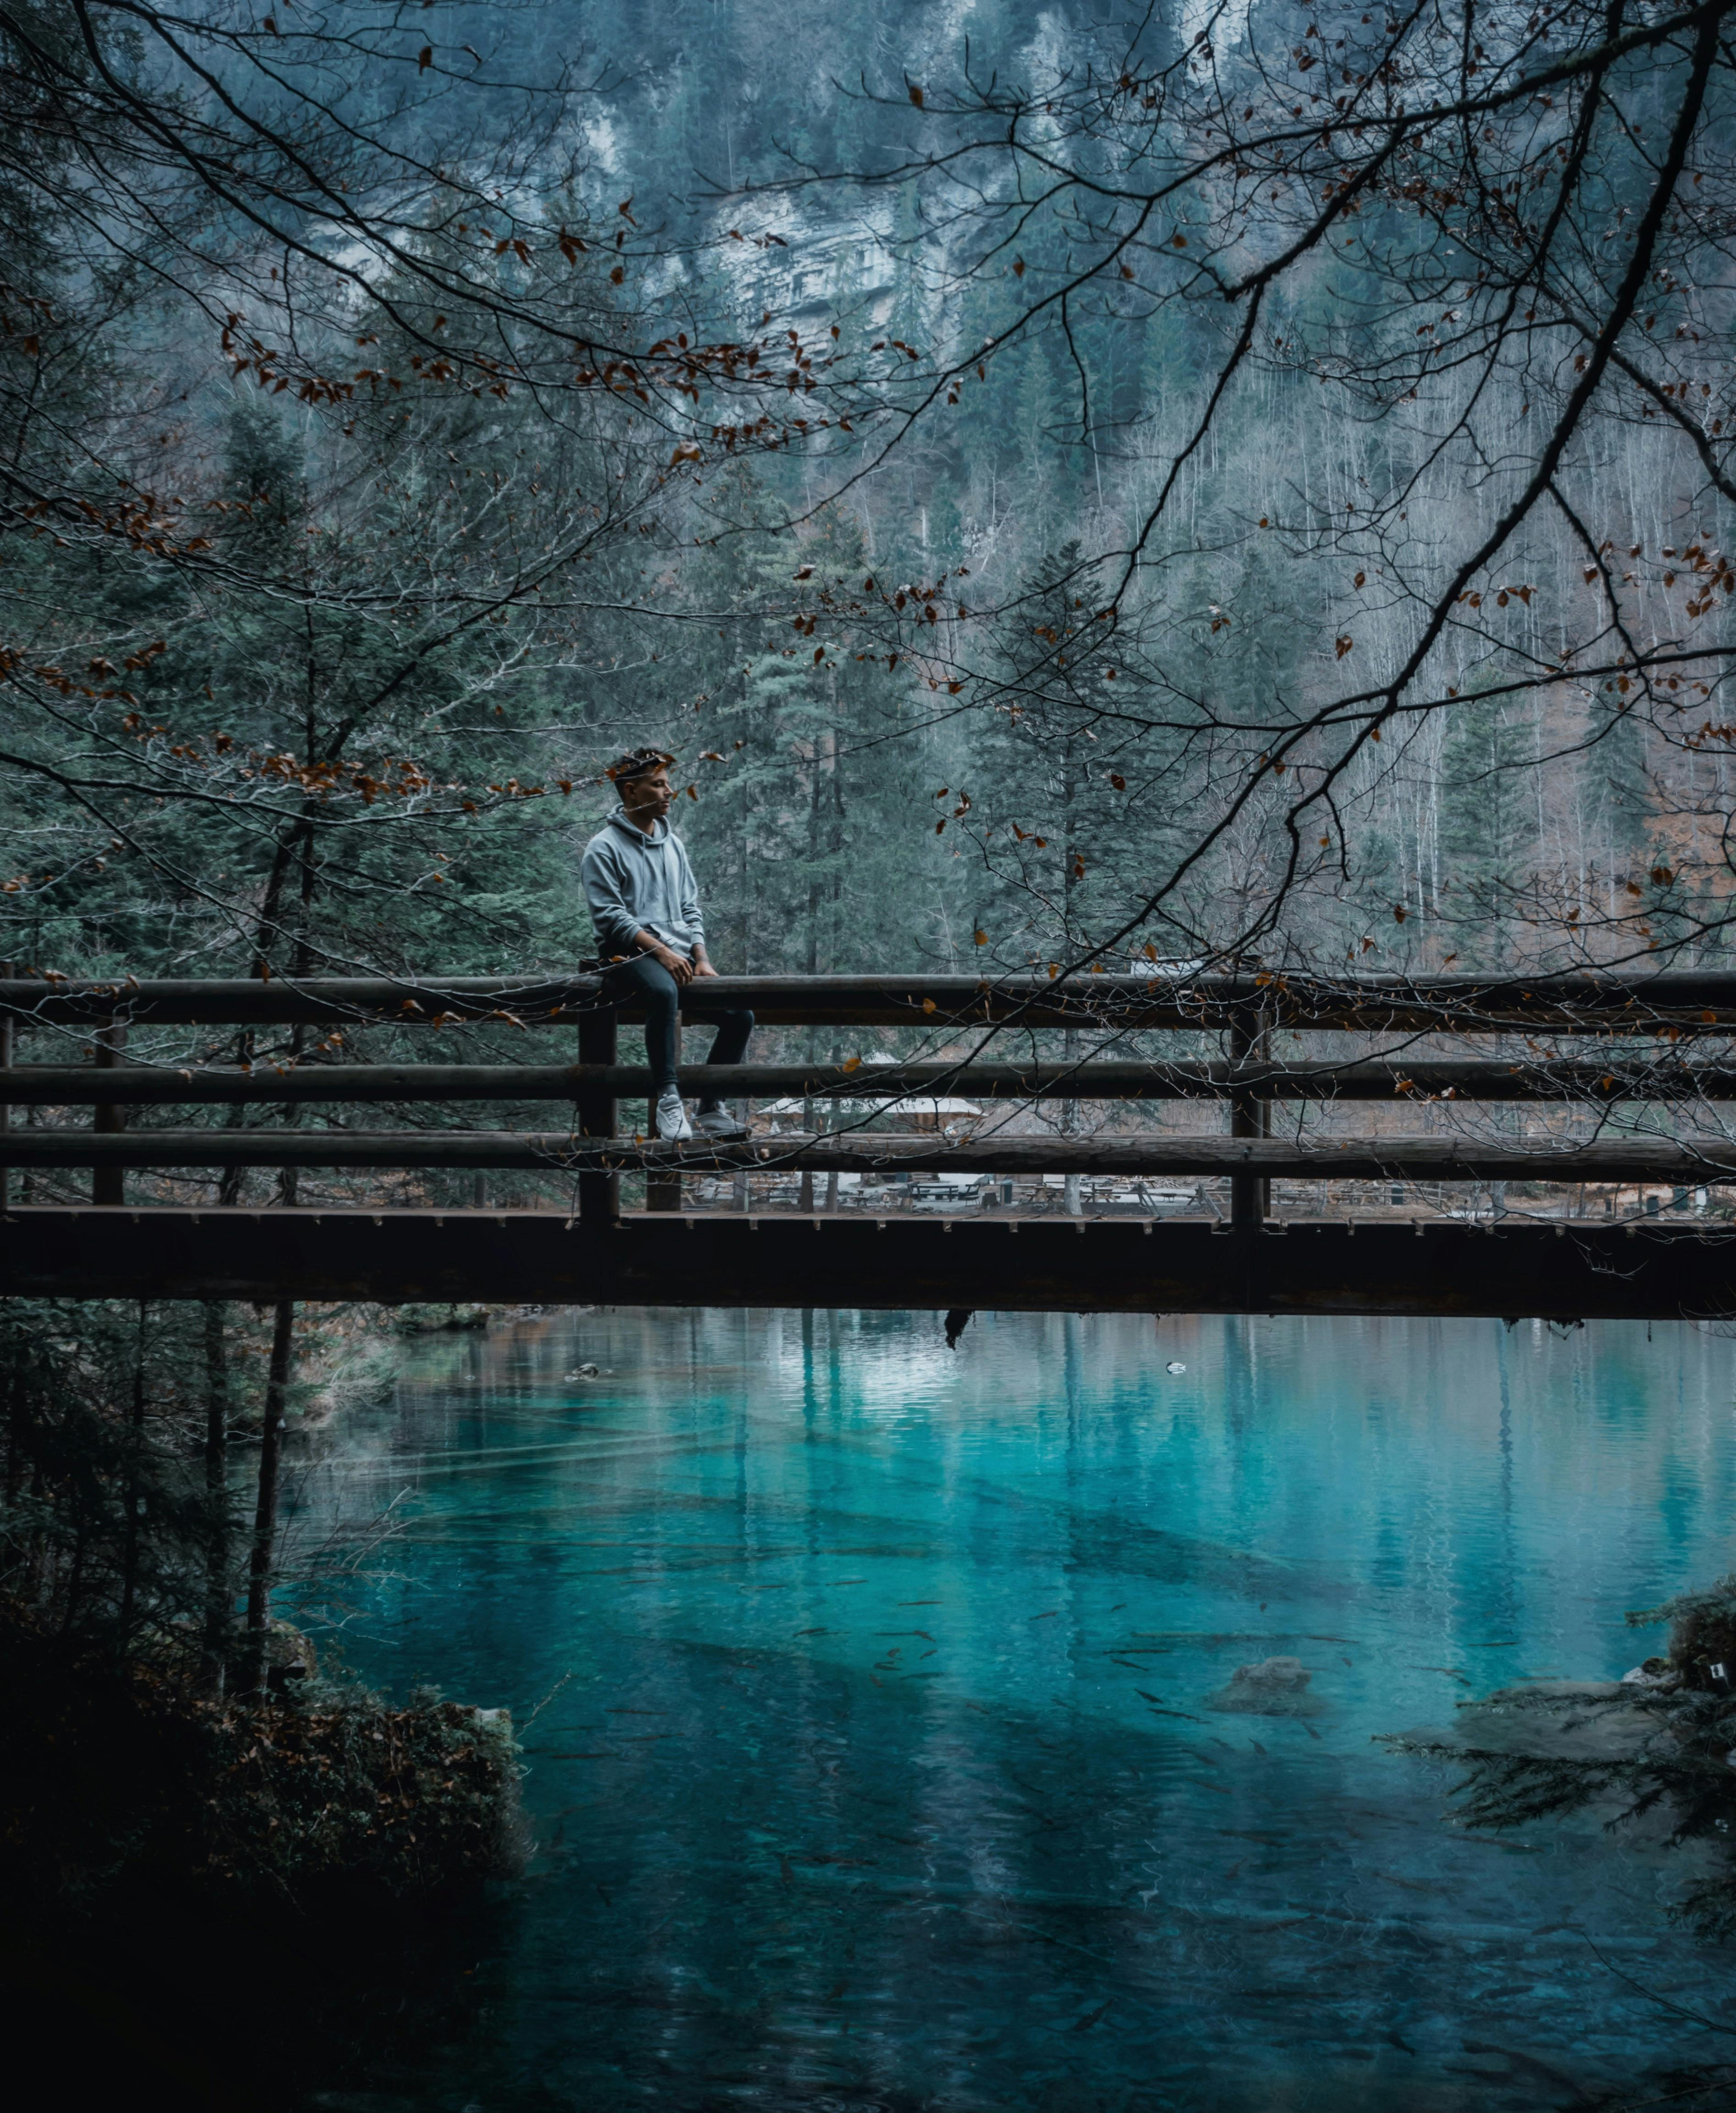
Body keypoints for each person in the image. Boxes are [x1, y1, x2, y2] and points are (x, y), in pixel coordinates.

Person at [580, 748, 754, 1141]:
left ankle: (710, 1108)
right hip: (625, 952)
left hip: (677, 954)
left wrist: (701, 957)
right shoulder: (603, 847)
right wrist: (659, 951)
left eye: (667, 783)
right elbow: (609, 916)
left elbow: (690, 906)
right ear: (631, 792)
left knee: (739, 1013)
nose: (668, 791)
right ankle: (669, 1101)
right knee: (661, 992)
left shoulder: (673, 843)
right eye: (657, 784)